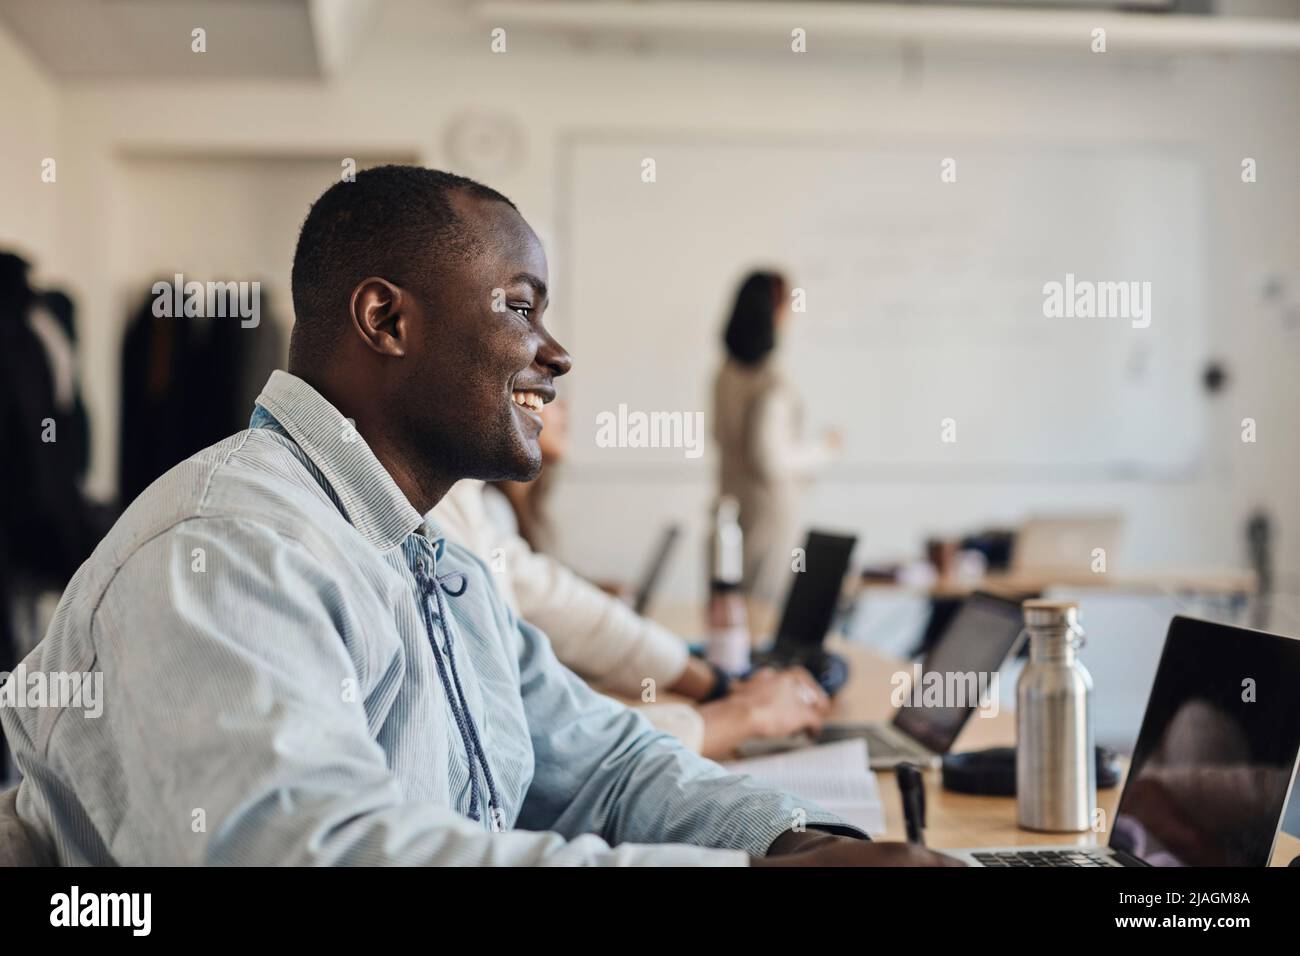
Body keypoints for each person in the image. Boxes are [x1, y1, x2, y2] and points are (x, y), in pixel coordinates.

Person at [1, 166, 955, 866]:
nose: (557, 352)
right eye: (522, 309)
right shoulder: (231, 551)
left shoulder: (425, 552)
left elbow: (597, 765)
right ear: (387, 321)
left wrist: (792, 844)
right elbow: (315, 857)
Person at [433, 399, 830, 759]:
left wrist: (721, 687)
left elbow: (564, 606)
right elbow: (530, 743)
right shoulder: (432, 521)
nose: (556, 358)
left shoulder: (465, 505)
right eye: (520, 315)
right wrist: (741, 714)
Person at [713, 270, 840, 601]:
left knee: (730, 610)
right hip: (768, 515)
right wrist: (824, 450)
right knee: (761, 612)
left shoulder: (723, 375)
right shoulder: (770, 381)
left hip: (732, 506)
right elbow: (769, 459)